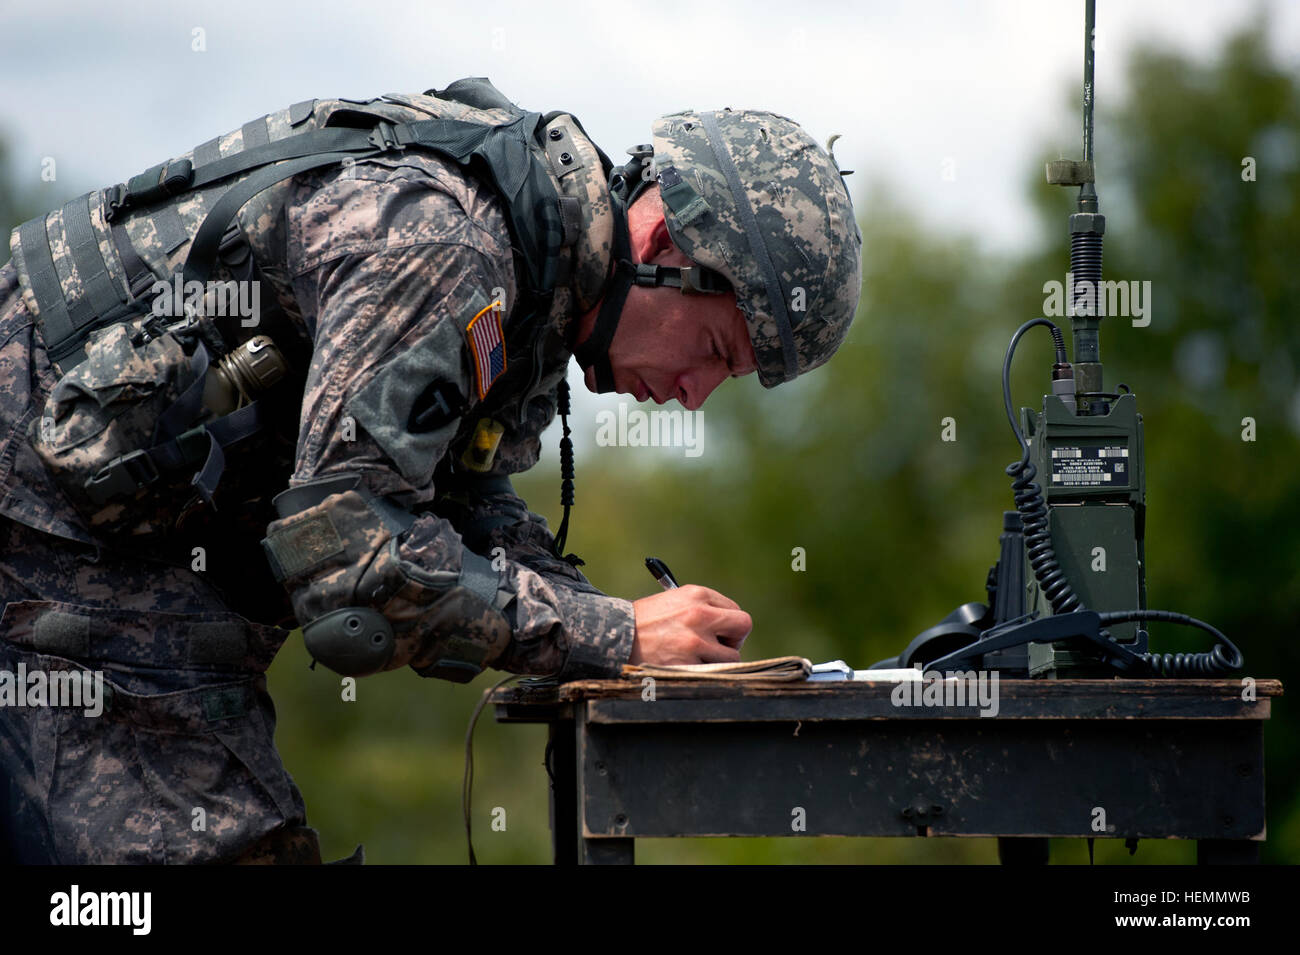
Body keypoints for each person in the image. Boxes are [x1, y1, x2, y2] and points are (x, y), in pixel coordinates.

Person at [0, 78, 862, 863]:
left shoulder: (542, 269)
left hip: (123, 568)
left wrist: (619, 627)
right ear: (666, 239)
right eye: (715, 350)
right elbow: (350, 569)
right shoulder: (447, 245)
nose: (694, 395)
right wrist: (618, 634)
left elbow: (467, 505)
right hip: (51, 548)